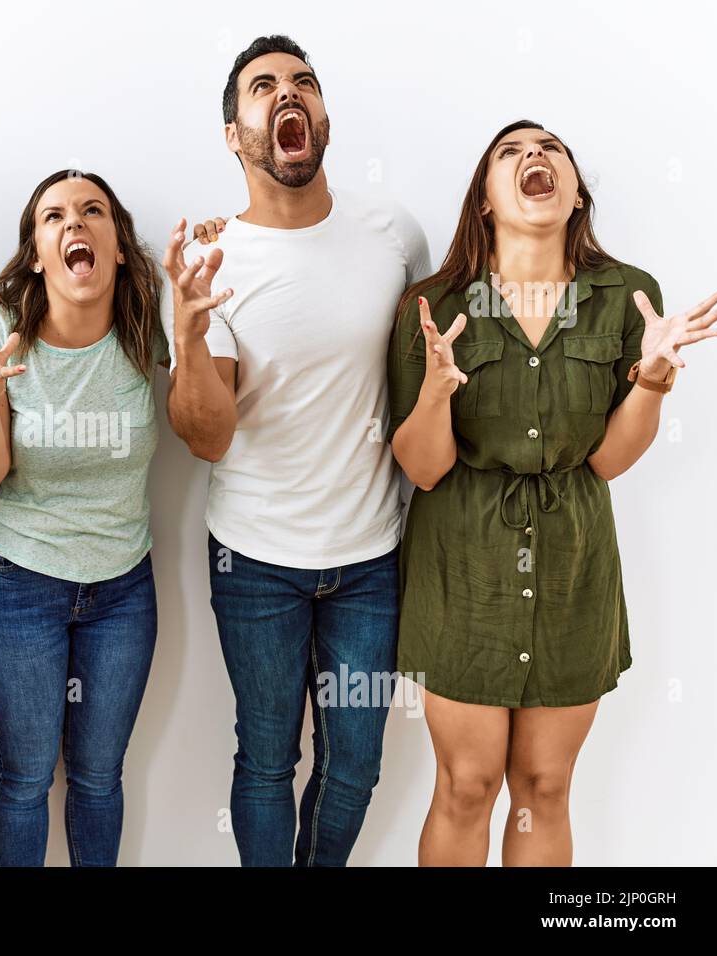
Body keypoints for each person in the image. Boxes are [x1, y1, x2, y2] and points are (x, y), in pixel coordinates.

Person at [387, 119, 717, 866]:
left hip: (574, 565)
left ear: (575, 194)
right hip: (462, 566)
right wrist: (438, 391)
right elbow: (422, 467)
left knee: (544, 787)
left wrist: (656, 378)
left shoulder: (628, 296)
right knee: (467, 785)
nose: (534, 157)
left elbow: (607, 459)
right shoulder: (433, 302)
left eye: (551, 150)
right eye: (511, 152)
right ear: (485, 200)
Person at [162, 35, 431, 866]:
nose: (289, 95)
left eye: (304, 84)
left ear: (320, 117)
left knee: (354, 767)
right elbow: (208, 435)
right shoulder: (218, 261)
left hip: (372, 555)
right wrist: (190, 334)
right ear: (236, 135)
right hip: (258, 559)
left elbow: (427, 358)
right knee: (268, 759)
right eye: (263, 87)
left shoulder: (392, 232)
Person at [0, 169, 165, 866]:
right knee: (25, 778)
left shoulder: (146, 322)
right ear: (38, 253)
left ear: (120, 246)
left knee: (100, 779)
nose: (74, 224)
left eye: (92, 211)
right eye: (54, 217)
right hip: (19, 586)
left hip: (123, 591)